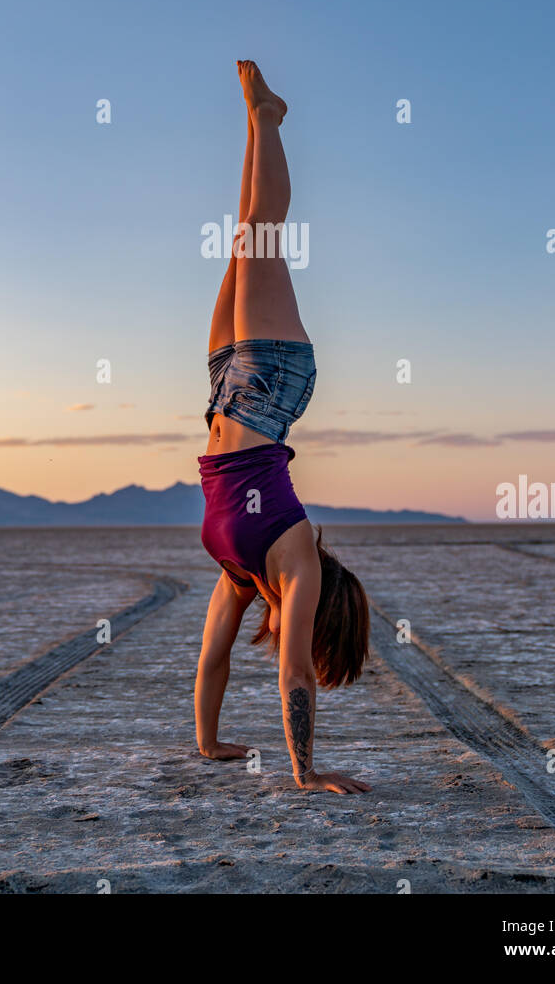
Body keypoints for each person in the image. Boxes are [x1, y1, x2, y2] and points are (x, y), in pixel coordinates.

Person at [194, 61, 371, 794]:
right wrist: (305, 772)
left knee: (242, 233)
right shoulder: (294, 559)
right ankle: (265, 117)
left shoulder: (242, 575)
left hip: (225, 396)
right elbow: (293, 673)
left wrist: (208, 745)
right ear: (321, 610)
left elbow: (213, 660)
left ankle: (257, 118)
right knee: (262, 232)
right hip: (268, 388)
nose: (294, 639)